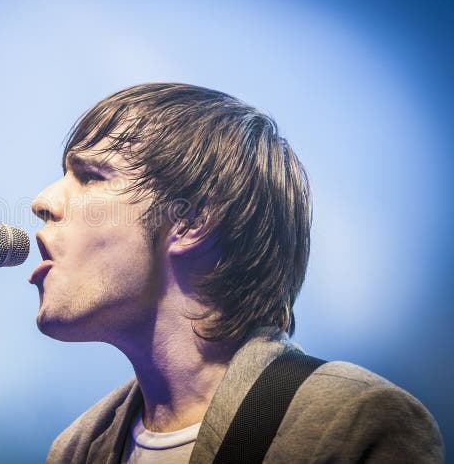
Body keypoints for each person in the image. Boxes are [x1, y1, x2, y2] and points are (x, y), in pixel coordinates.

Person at [28, 83, 443, 463]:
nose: (42, 201)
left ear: (190, 221)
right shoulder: (77, 447)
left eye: (90, 176)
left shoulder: (354, 421)